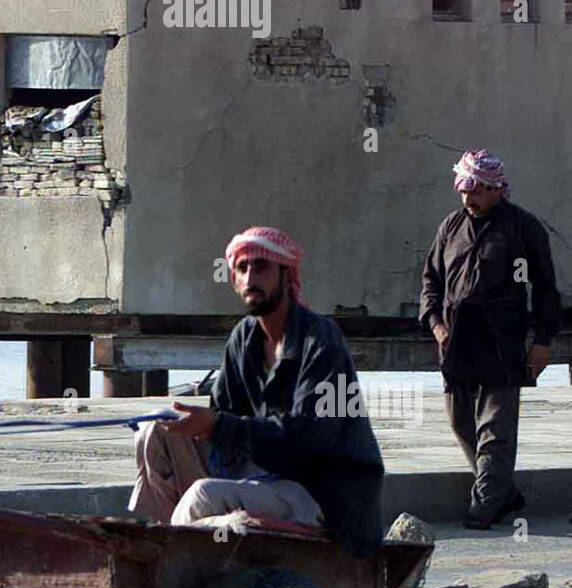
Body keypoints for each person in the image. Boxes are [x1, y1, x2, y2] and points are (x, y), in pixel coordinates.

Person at [129, 226, 385, 557]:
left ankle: (171, 558)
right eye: (242, 268)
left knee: (203, 496)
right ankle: (167, 540)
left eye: (262, 268)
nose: (251, 277)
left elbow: (309, 437)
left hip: (319, 493)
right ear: (233, 279)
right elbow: (224, 418)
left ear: (286, 275)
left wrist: (218, 426)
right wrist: (200, 424)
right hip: (260, 476)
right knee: (155, 432)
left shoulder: (322, 341)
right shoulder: (243, 339)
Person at [420, 149, 562, 529]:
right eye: (466, 189)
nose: (471, 197)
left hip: (502, 341)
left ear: (498, 189)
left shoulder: (522, 228)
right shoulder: (450, 227)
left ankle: (486, 505)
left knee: (495, 428)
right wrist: (436, 325)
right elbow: (430, 281)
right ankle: (504, 492)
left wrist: (542, 340)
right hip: (456, 342)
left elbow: (546, 289)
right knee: (460, 422)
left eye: (480, 190)